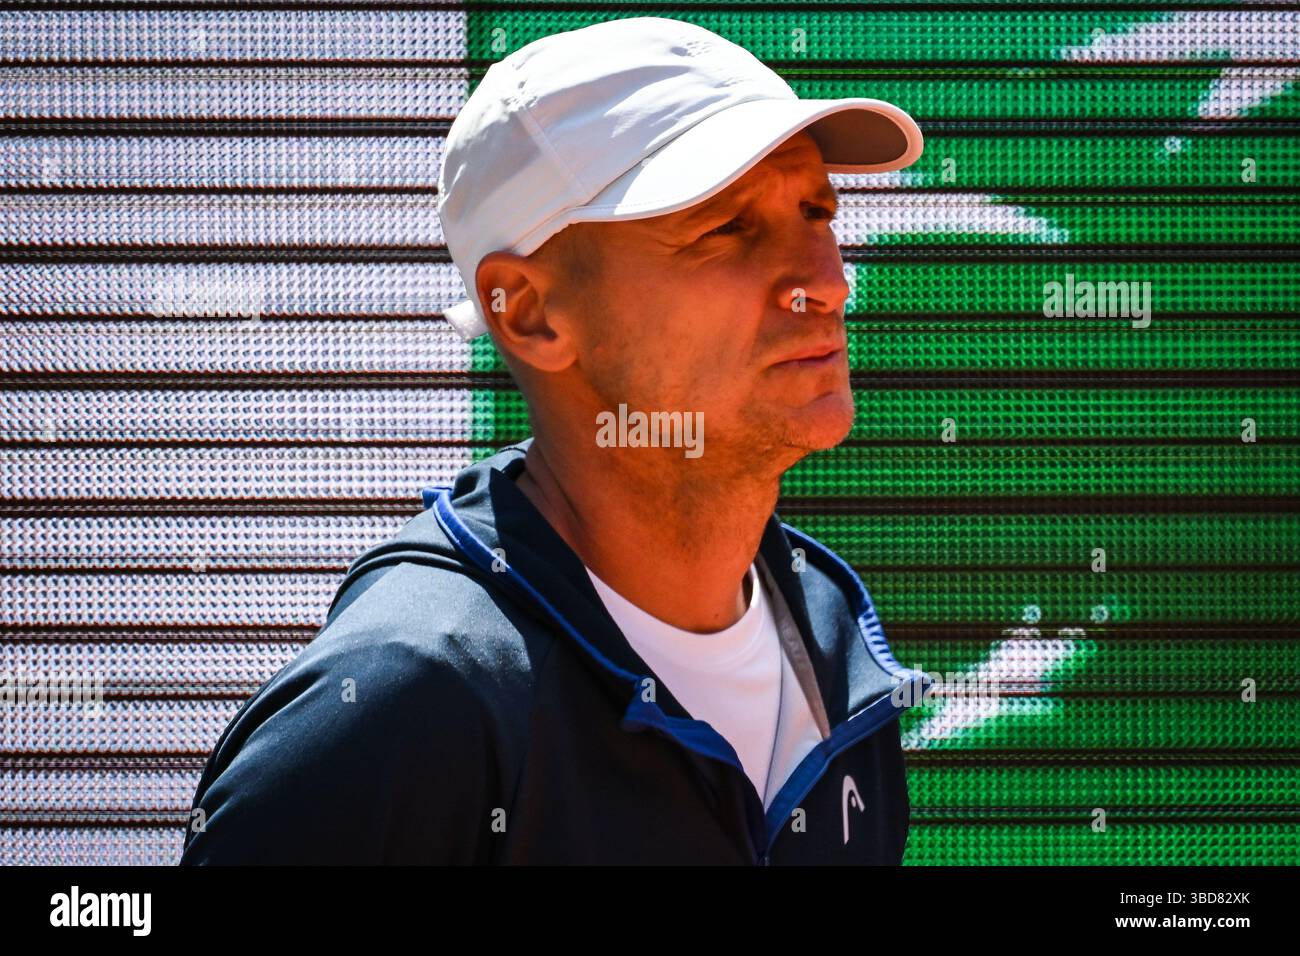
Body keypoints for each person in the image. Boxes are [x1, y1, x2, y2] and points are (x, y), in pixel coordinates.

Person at [180, 15, 929, 865]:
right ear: (529, 311)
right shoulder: (410, 700)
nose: (824, 281)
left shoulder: (828, 630)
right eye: (725, 228)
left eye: (815, 210)